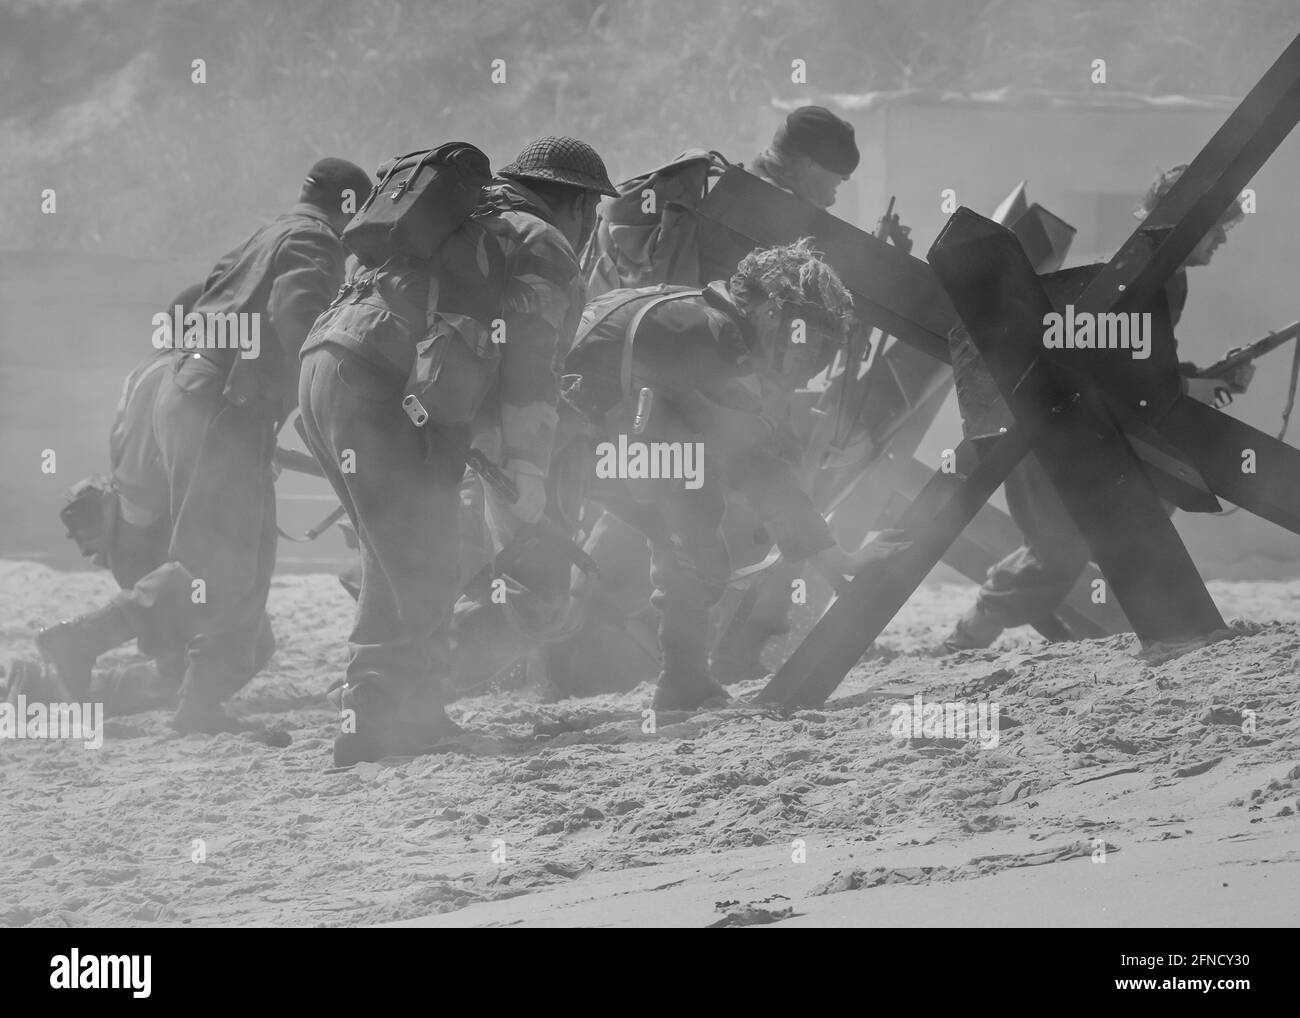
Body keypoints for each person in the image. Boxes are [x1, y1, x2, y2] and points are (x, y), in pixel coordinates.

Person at [298, 137, 614, 765]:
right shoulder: (540, 241)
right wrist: (527, 469)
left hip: (325, 371)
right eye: (592, 215)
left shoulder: (464, 220)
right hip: (378, 391)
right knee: (425, 562)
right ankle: (383, 726)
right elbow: (529, 366)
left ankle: (389, 718)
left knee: (397, 559)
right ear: (578, 206)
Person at [35, 157, 370, 731]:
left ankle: (198, 704)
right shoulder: (316, 243)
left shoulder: (266, 234)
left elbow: (202, 302)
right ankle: (83, 640)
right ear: (351, 206)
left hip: (204, 396)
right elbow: (302, 323)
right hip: (224, 410)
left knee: (246, 563)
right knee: (212, 566)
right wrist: (341, 389)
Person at [564, 238, 906, 711]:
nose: (810, 363)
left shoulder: (703, 318)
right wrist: (838, 559)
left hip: (574, 439)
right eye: (809, 339)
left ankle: (683, 684)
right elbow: (757, 464)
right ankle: (427, 702)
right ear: (769, 316)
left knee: (693, 526)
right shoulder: (713, 338)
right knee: (535, 587)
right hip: (564, 445)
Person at [937, 164, 1254, 654]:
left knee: (1104, 532)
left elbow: (1139, 365)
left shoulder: (1167, 278)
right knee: (1060, 548)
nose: (1222, 240)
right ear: (1188, 222)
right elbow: (1113, 375)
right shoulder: (1143, 277)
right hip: (1046, 423)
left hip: (1080, 425)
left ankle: (1156, 632)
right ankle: (964, 640)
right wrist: (1193, 384)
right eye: (1216, 227)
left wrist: (1206, 376)